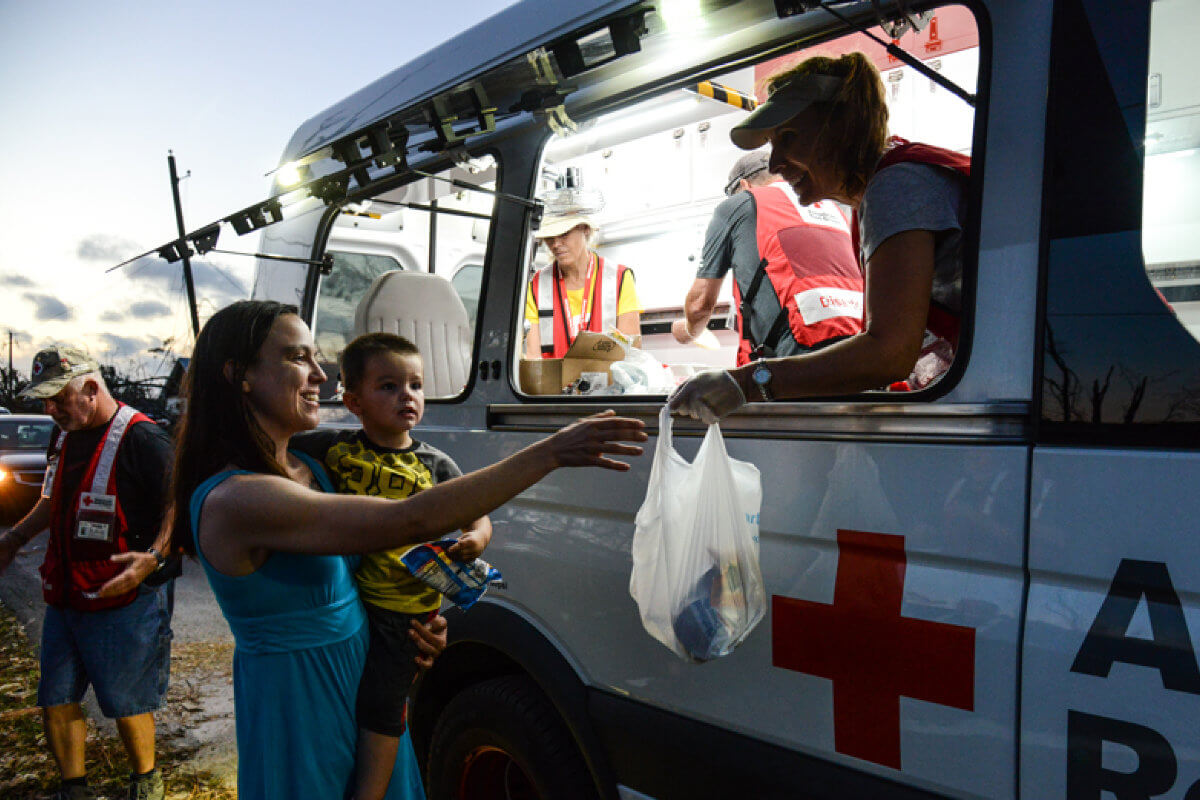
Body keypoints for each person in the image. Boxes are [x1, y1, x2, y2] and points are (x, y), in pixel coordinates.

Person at [171, 300, 645, 800]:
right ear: (238, 375)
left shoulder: (316, 470)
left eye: (316, 357)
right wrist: (549, 452)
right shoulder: (240, 497)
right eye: (296, 358)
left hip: (363, 684)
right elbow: (407, 520)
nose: (318, 374)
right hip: (300, 704)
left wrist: (413, 627)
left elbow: (371, 571)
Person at [670, 52, 971, 423]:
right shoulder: (887, 188)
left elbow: (889, 353)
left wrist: (748, 381)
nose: (776, 163)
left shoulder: (896, 186)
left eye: (789, 138)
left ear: (841, 127)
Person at [290, 332, 493, 800]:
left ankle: (371, 793)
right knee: (346, 699)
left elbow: (476, 510)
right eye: (389, 386)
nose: (407, 395)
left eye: (416, 385)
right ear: (353, 401)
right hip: (348, 600)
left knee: (384, 705)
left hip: (404, 607)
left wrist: (476, 537)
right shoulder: (331, 448)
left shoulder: (434, 465)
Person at [0, 347, 178, 800]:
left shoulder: (144, 439)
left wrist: (153, 558)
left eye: (58, 398)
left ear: (92, 389)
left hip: (126, 595)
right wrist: (14, 539)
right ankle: (73, 788)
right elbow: (50, 499)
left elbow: (182, 507)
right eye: (44, 400)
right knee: (55, 695)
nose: (49, 410)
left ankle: (146, 783)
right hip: (65, 592)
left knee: (126, 700)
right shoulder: (62, 436)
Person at [671, 149, 863, 366]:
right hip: (862, 345)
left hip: (801, 354)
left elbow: (699, 305)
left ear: (744, 186)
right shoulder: (833, 207)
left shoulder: (739, 204)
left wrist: (688, 331)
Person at [524, 211, 642, 358]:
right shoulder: (536, 285)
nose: (556, 244)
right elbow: (533, 356)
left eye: (564, 234)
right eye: (549, 238)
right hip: (554, 380)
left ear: (585, 229)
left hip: (609, 379)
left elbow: (632, 350)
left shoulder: (619, 277)